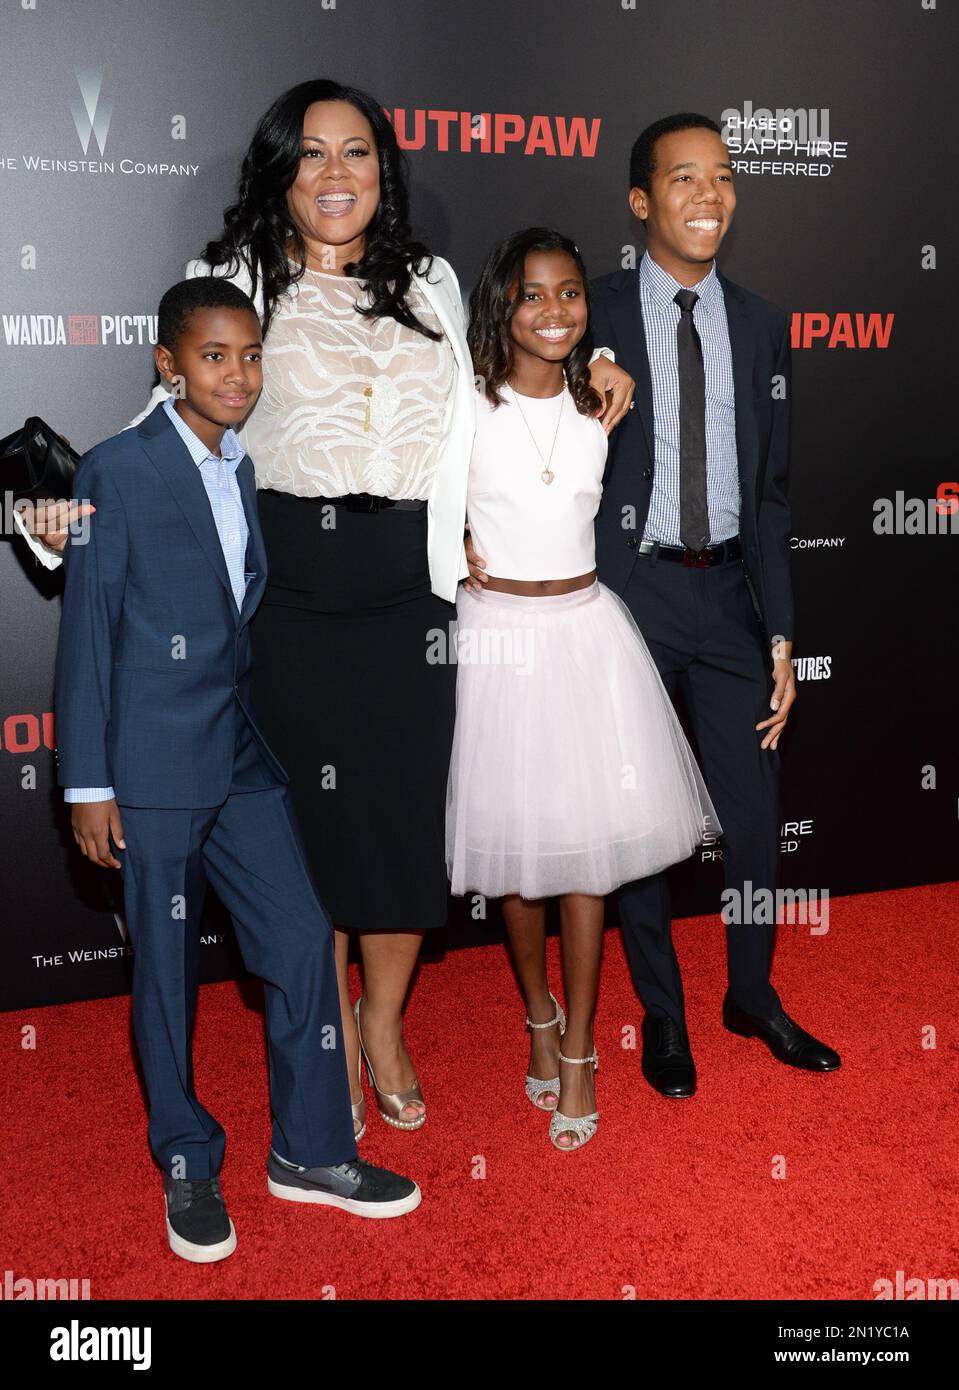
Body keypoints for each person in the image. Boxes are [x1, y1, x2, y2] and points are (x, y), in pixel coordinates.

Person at [18, 79, 634, 1141]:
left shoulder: (433, 280)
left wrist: (595, 359)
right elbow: (159, 430)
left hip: (410, 583)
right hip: (287, 589)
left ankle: (380, 1025)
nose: (337, 173)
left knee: (396, 825)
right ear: (279, 172)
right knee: (304, 837)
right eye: (312, 154)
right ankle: (322, 1043)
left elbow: (513, 353)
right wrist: (62, 512)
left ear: (383, 172)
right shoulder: (235, 278)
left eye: (358, 152)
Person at [54, 276, 420, 1264]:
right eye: (213, 356)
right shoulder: (113, 470)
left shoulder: (241, 466)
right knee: (166, 976)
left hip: (239, 753)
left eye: (250, 355)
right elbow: (87, 627)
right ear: (168, 364)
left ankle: (309, 1152)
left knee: (303, 939)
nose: (237, 374)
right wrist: (88, 782)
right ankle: (184, 1154)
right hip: (150, 770)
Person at [448, 229, 717, 1152]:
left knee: (588, 858)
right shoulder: (464, 407)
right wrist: (453, 558)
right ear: (501, 305)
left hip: (587, 635)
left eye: (570, 294)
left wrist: (604, 361)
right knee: (517, 859)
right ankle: (535, 1013)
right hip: (495, 640)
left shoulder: (600, 402)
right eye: (533, 294)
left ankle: (580, 1051)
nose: (555, 310)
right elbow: (422, 501)